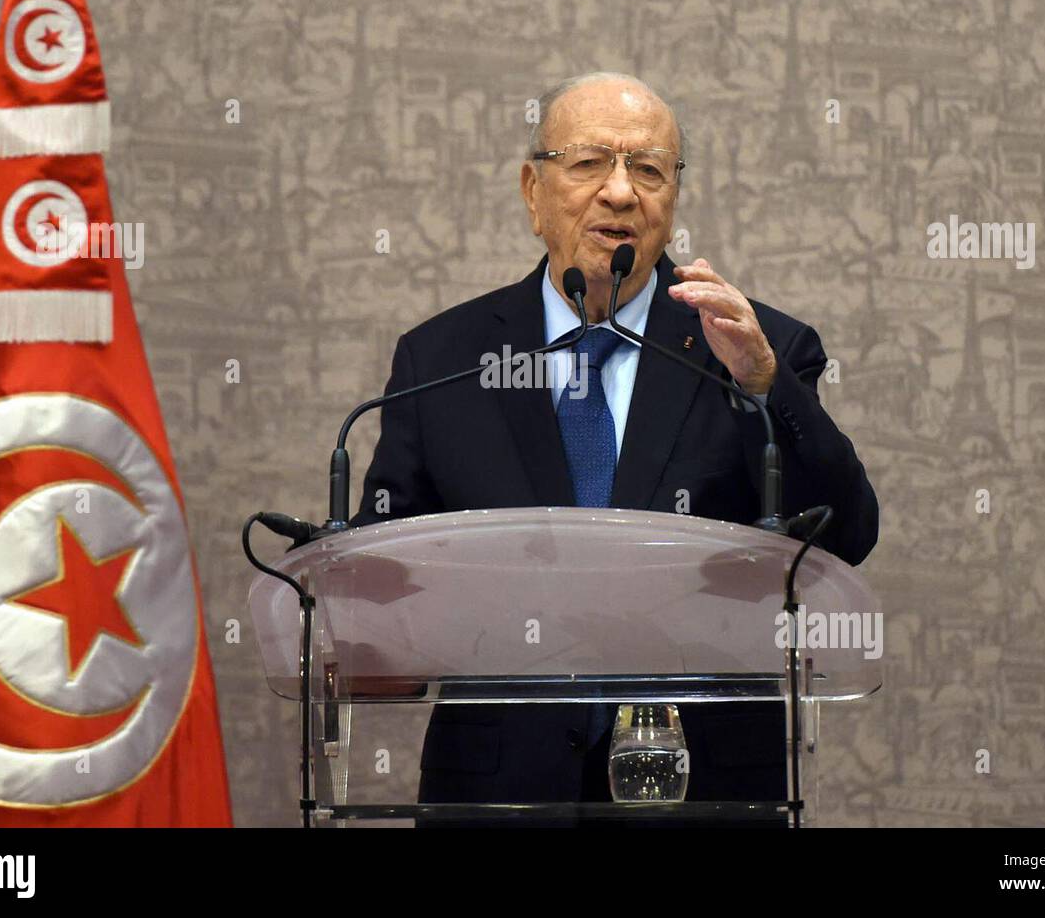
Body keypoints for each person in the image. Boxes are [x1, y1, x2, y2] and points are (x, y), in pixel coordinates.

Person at [352, 72, 879, 821]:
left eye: (649, 169)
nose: (622, 193)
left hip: (705, 796)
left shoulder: (754, 348)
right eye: (590, 162)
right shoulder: (442, 361)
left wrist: (765, 385)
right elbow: (379, 576)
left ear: (674, 198)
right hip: (499, 798)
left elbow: (849, 534)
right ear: (533, 191)